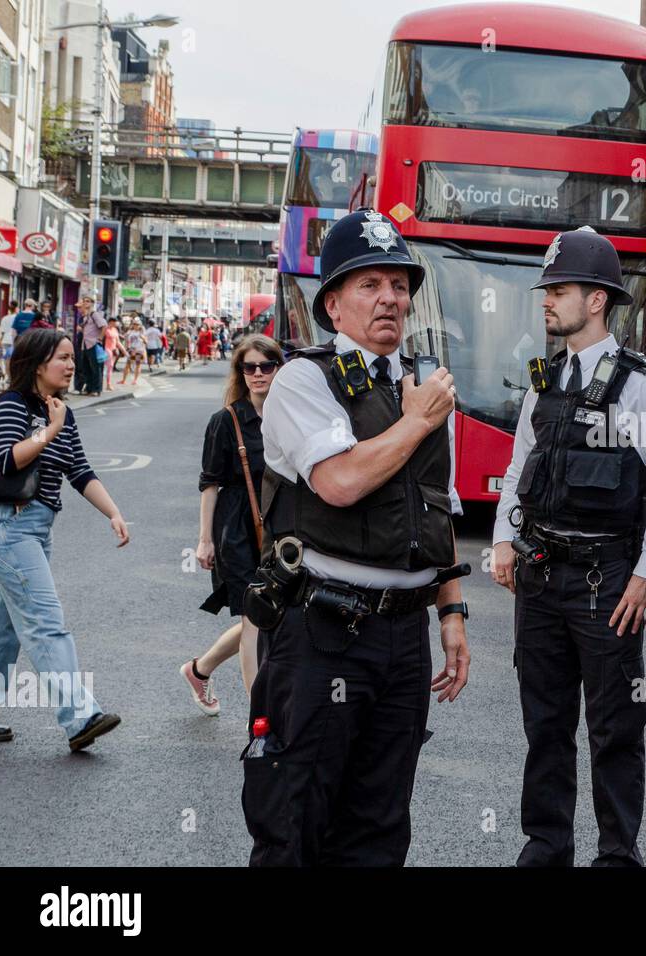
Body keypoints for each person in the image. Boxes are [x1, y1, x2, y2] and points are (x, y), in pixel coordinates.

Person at [244, 208, 470, 867]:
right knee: (296, 816)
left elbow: (435, 509)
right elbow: (340, 482)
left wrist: (451, 613)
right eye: (369, 284)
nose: (391, 298)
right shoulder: (302, 379)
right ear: (333, 306)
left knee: (379, 825)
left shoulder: (419, 384)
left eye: (399, 285)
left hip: (404, 636)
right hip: (323, 631)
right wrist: (418, 420)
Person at [491, 226, 646, 867]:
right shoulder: (545, 380)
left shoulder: (644, 387)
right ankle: (546, 846)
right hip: (541, 578)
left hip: (608, 580)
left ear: (597, 300)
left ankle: (616, 855)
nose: (547, 299)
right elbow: (523, 464)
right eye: (548, 288)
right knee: (544, 723)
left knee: (614, 729)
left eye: (560, 289)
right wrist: (503, 540)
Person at [0, 329, 129, 750]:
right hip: (9, 525)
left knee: (4, 630)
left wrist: (114, 513)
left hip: (36, 528)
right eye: (63, 358)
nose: (72, 365)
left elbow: (80, 472)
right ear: (36, 364)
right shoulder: (10, 405)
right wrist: (48, 430)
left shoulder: (62, 412)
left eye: (72, 357)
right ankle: (79, 716)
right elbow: (5, 458)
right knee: (46, 624)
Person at [180, 336, 284, 715]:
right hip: (237, 531)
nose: (258, 374)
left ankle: (199, 669)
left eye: (266, 366)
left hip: (281, 529)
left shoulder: (289, 416)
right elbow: (210, 483)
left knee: (274, 612)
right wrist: (204, 540)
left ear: (278, 368)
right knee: (254, 618)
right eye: (249, 367)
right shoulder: (225, 421)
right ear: (241, 373)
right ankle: (260, 715)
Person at [75, 297, 104, 395]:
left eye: (87, 301)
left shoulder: (94, 314)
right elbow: (88, 331)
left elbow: (104, 326)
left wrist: (100, 338)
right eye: (84, 301)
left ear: (92, 303)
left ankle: (96, 389)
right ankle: (89, 388)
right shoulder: (86, 316)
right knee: (86, 368)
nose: (85, 303)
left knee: (95, 368)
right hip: (85, 344)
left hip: (93, 344)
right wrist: (81, 329)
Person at [119, 319, 145, 387]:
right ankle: (123, 380)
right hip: (131, 350)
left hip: (139, 350)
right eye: (134, 324)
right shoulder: (130, 331)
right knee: (127, 365)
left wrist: (143, 339)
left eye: (137, 324)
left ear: (140, 325)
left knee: (137, 365)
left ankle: (135, 380)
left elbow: (146, 342)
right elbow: (124, 337)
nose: (135, 325)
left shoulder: (141, 332)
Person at [102, 316, 123, 391]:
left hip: (113, 349)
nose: (116, 323)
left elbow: (118, 342)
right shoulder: (105, 329)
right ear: (111, 322)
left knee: (110, 367)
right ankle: (107, 384)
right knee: (109, 366)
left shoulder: (115, 330)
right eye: (115, 322)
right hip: (106, 349)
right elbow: (101, 339)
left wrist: (124, 351)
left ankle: (108, 383)